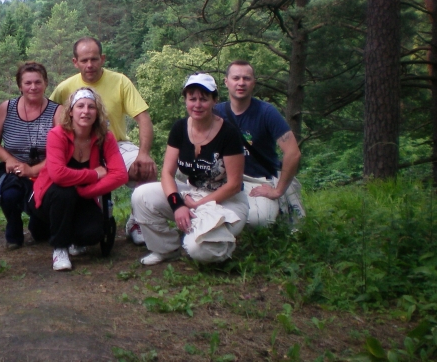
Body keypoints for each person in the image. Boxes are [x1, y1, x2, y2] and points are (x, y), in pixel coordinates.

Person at [131, 74, 248, 265]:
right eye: (192, 98)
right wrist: (178, 205)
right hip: (192, 193)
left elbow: (234, 184)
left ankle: (218, 244)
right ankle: (166, 249)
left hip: (226, 201)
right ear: (185, 100)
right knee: (141, 195)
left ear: (214, 101)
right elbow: (167, 174)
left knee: (197, 250)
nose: (197, 104)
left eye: (204, 98)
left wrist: (197, 205)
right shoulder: (179, 128)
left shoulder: (229, 133)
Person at [50, 37, 156, 245]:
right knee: (72, 178)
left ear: (102, 59)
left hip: (115, 144)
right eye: (84, 60)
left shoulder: (120, 81)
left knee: (146, 170)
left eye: (94, 59)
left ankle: (137, 222)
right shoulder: (64, 88)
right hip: (81, 147)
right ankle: (79, 224)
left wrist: (143, 153)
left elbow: (143, 118)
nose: (89, 65)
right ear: (75, 62)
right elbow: (53, 120)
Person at [30, 88, 128, 271]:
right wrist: (95, 174)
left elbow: (120, 174)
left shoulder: (104, 137)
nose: (85, 111)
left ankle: (71, 235)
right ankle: (60, 248)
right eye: (80, 106)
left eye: (91, 107)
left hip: (82, 197)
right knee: (64, 191)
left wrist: (85, 191)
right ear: (70, 111)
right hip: (51, 197)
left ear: (97, 113)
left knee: (92, 234)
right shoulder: (57, 135)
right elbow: (58, 174)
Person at [214, 60, 304, 227]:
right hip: (224, 180)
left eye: (246, 78)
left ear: (253, 82)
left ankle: (274, 210)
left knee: (259, 221)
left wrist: (278, 191)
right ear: (226, 82)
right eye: (236, 78)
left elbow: (293, 153)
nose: (241, 83)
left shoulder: (266, 112)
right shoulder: (215, 113)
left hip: (259, 180)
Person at [0, 62, 62, 249]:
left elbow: (62, 152)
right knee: (9, 195)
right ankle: (14, 230)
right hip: (15, 171)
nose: (33, 87)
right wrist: (9, 159)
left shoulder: (58, 111)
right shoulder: (6, 108)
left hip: (46, 171)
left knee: (42, 234)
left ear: (45, 83)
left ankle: (39, 220)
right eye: (27, 83)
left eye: (37, 82)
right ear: (20, 86)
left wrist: (33, 169)